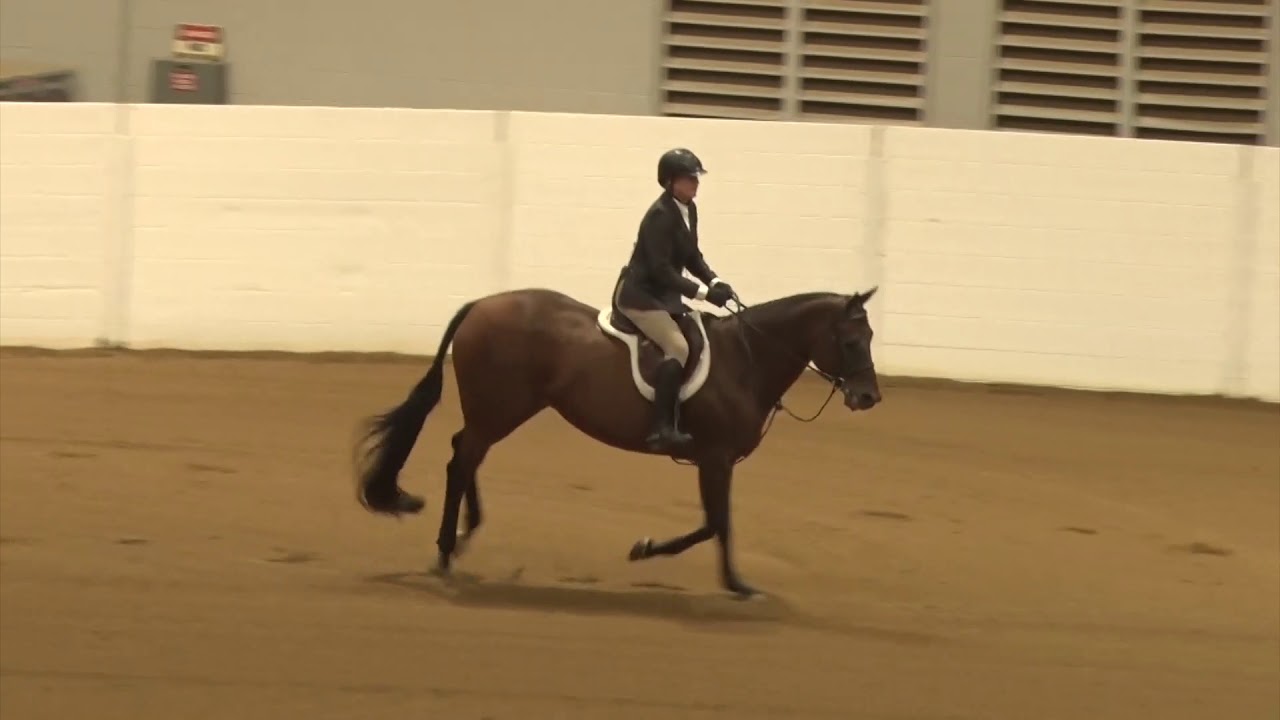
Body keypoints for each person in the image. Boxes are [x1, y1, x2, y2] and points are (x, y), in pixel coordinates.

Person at [613, 147, 736, 452]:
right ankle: (662, 428)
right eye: (688, 178)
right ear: (669, 182)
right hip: (641, 296)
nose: (695, 183)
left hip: (664, 297)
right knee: (678, 347)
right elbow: (661, 271)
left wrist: (715, 280)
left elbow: (691, 255)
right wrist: (704, 294)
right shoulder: (659, 216)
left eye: (696, 177)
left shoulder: (688, 209)